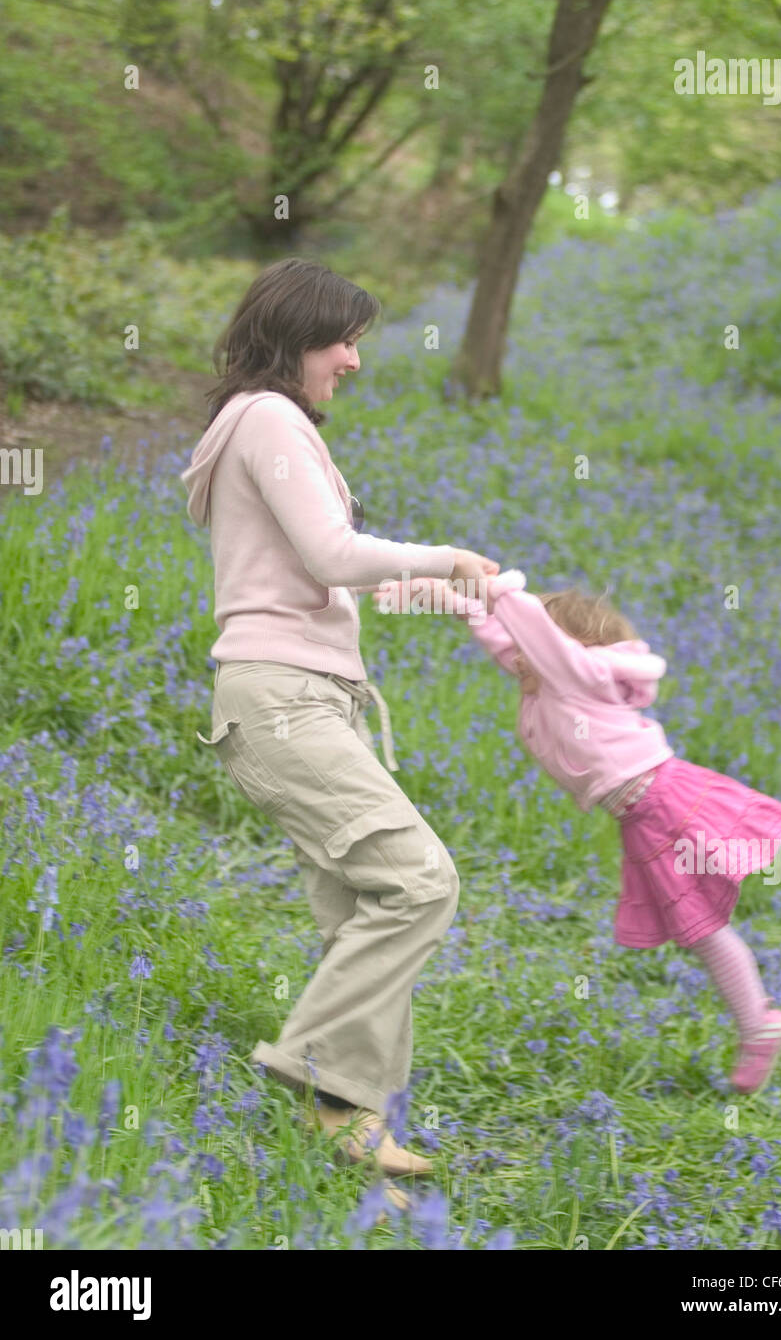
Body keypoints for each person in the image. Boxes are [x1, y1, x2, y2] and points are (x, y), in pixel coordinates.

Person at [180, 257, 499, 1185]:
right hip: (282, 701)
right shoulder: (270, 418)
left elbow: (316, 573)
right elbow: (332, 551)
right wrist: (442, 551)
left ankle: (347, 1133)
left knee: (363, 904)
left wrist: (464, 590)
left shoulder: (257, 426)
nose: (354, 361)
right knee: (418, 878)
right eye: (345, 340)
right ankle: (310, 1062)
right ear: (296, 339)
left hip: (300, 698)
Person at [376, 570, 781, 1095]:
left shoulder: (578, 674)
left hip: (664, 802)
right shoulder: (550, 674)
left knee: (703, 929)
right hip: (643, 814)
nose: (515, 661)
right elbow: (500, 635)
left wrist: (503, 590)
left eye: (529, 649)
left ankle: (759, 1025)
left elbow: (536, 640)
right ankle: (758, 1023)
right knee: (702, 930)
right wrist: (439, 597)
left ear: (562, 648)